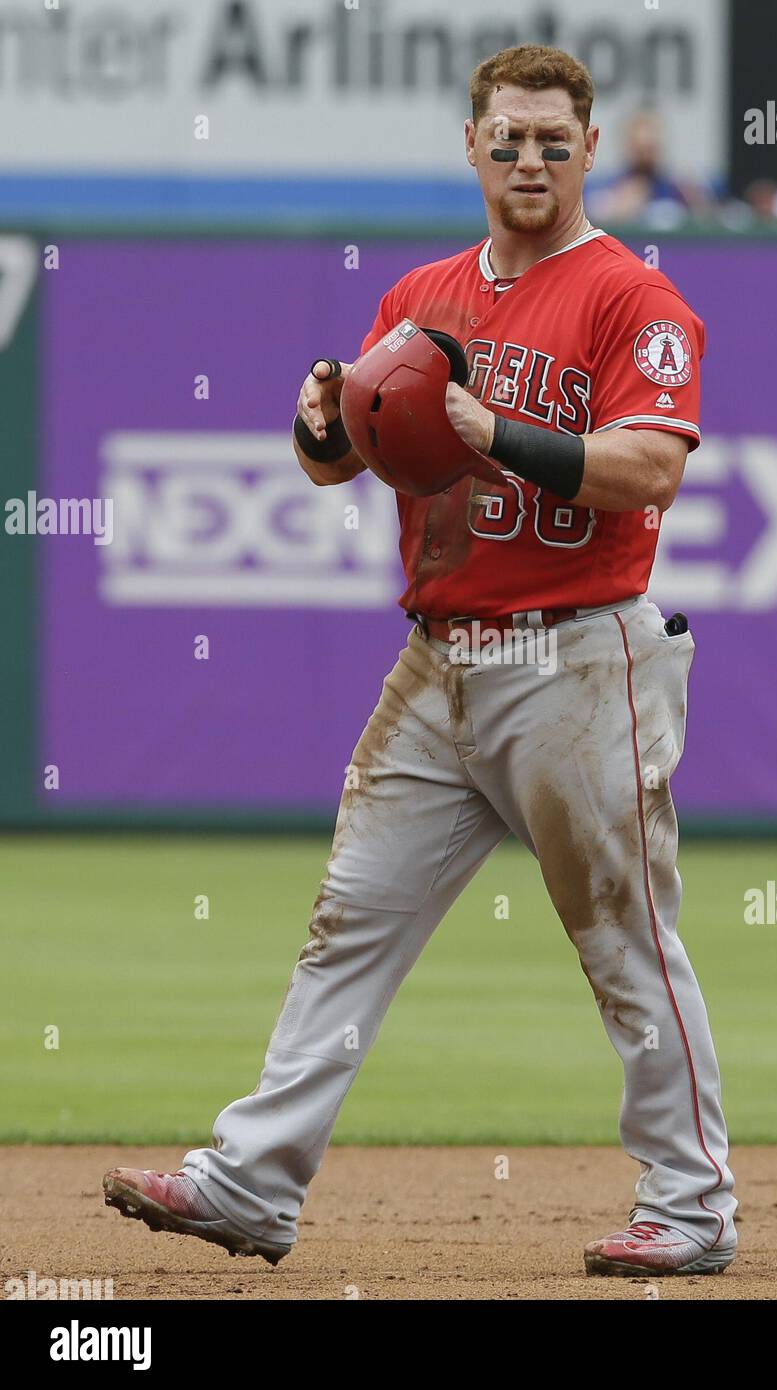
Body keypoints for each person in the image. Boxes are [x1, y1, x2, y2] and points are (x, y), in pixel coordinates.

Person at [102, 43, 739, 1281]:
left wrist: (488, 428)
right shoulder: (418, 295)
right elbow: (344, 455)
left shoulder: (631, 299)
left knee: (623, 937)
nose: (529, 159)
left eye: (553, 139)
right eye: (507, 137)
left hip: (578, 655)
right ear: (470, 146)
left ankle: (691, 1203)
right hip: (438, 662)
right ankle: (250, 1182)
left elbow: (648, 467)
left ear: (589, 150)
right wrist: (315, 420)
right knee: (350, 921)